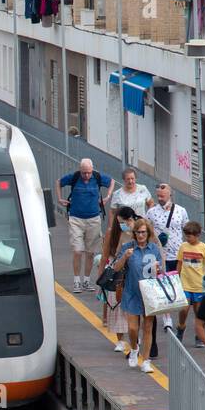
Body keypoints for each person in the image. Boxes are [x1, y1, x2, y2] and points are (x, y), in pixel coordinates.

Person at [111, 216, 163, 372]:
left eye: (143, 232)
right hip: (132, 292)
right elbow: (116, 268)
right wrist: (125, 257)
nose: (141, 235)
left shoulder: (154, 248)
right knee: (133, 328)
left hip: (149, 293)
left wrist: (158, 268)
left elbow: (160, 269)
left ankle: (146, 361)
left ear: (148, 233)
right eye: (138, 232)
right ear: (134, 233)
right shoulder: (128, 247)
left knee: (148, 328)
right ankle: (134, 348)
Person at [58, 158, 114, 292]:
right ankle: (77, 281)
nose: (86, 176)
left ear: (92, 170)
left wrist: (107, 196)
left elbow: (111, 181)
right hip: (76, 218)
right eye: (84, 173)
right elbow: (59, 182)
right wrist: (60, 198)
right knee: (77, 250)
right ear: (80, 170)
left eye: (88, 172)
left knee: (90, 252)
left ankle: (86, 281)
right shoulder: (74, 177)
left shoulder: (97, 177)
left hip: (94, 218)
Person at [145, 182, 189, 349]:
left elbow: (186, 228)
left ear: (170, 193)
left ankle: (173, 314)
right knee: (162, 284)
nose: (160, 197)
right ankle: (167, 318)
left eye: (163, 194)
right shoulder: (151, 212)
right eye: (158, 195)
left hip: (177, 254)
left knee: (175, 285)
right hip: (160, 255)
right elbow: (146, 230)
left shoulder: (181, 211)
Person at [98, 206, 135, 350]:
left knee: (133, 306)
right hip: (117, 272)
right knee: (116, 305)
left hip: (133, 271)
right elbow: (105, 256)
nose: (122, 224)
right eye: (119, 222)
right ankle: (120, 340)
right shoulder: (111, 233)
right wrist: (101, 280)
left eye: (125, 221)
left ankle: (134, 336)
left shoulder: (137, 232)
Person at [176, 222, 205, 344]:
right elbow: (179, 264)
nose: (188, 239)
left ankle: (199, 334)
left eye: (190, 236)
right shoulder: (183, 247)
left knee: (199, 311)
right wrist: (176, 278)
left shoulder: (204, 248)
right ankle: (181, 326)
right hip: (185, 284)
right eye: (186, 236)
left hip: (199, 285)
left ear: (197, 235)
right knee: (184, 309)